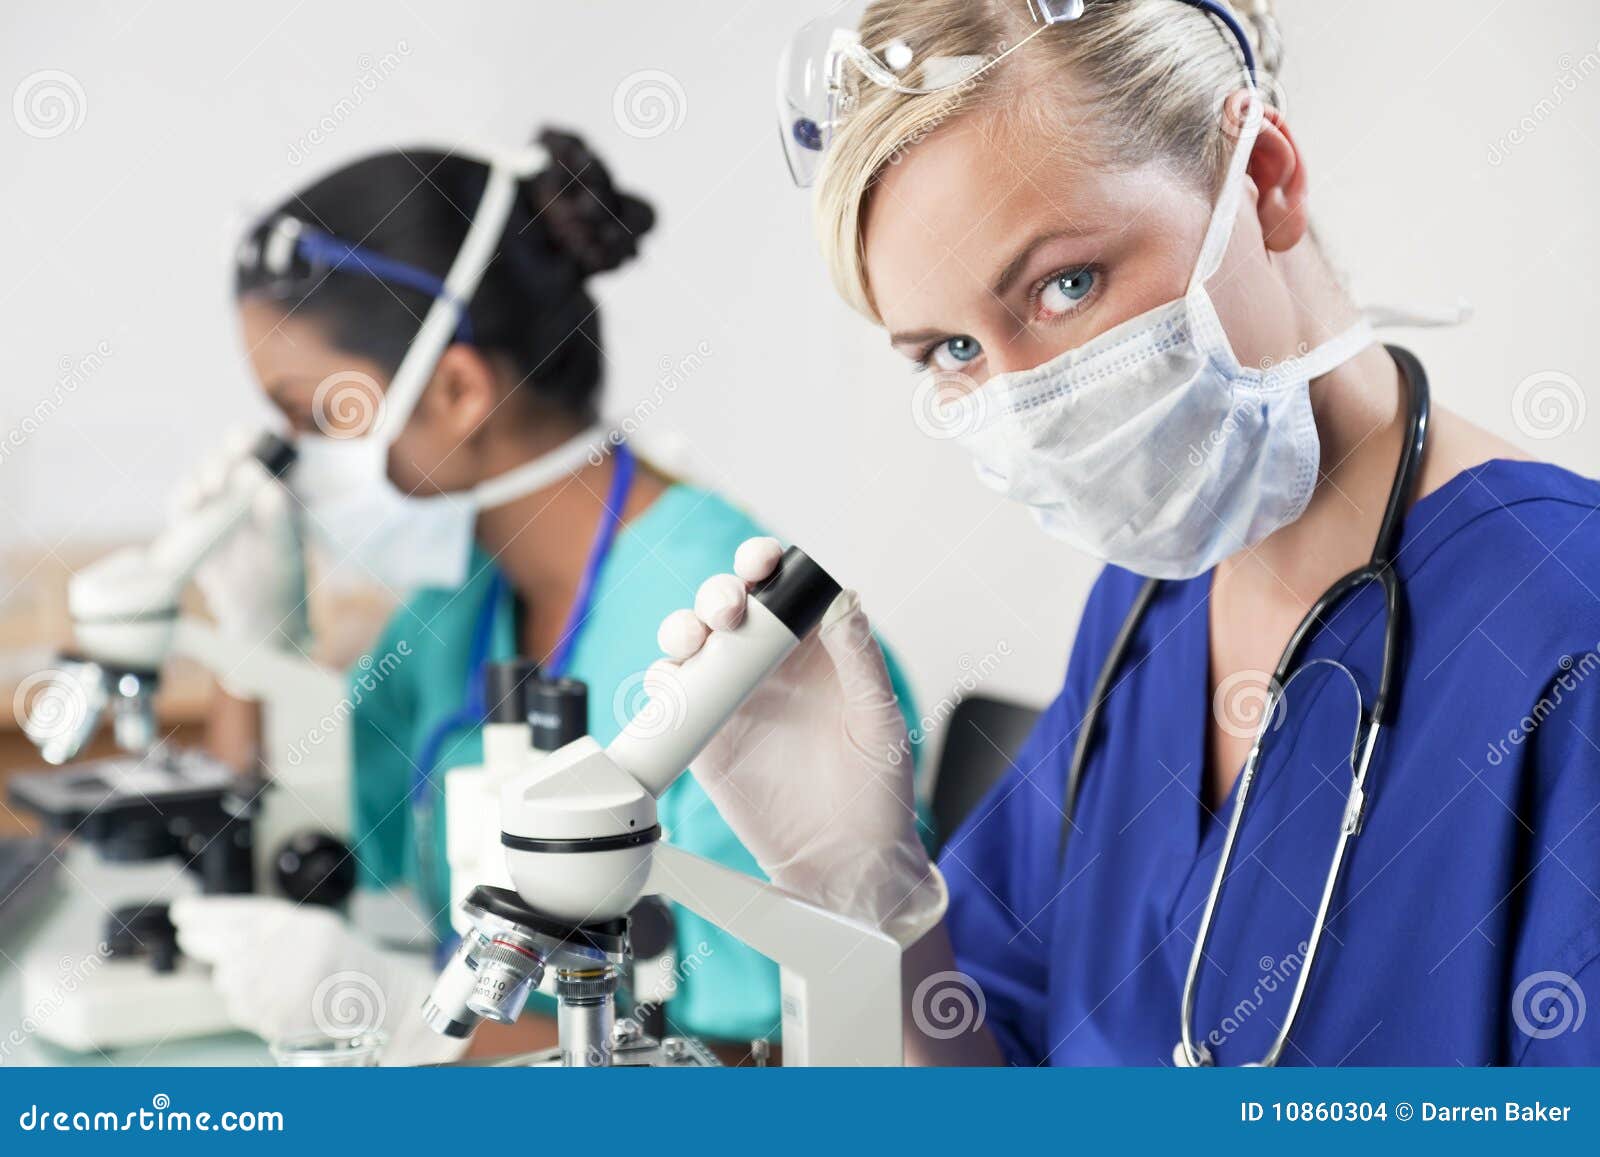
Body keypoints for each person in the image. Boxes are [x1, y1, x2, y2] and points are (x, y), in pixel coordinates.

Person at [657, 0, 1600, 1066]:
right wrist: (870, 900)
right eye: (952, 349)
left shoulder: (1566, 629)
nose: (1028, 403)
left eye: (1065, 284)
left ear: (1264, 179)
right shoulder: (1143, 610)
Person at [169, 129, 922, 1064]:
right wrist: (255, 649)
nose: (285, 465)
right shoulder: (463, 607)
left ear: (452, 389)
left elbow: (758, 1055)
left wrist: (412, 1021)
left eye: (306, 416)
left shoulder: (732, 621)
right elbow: (305, 871)